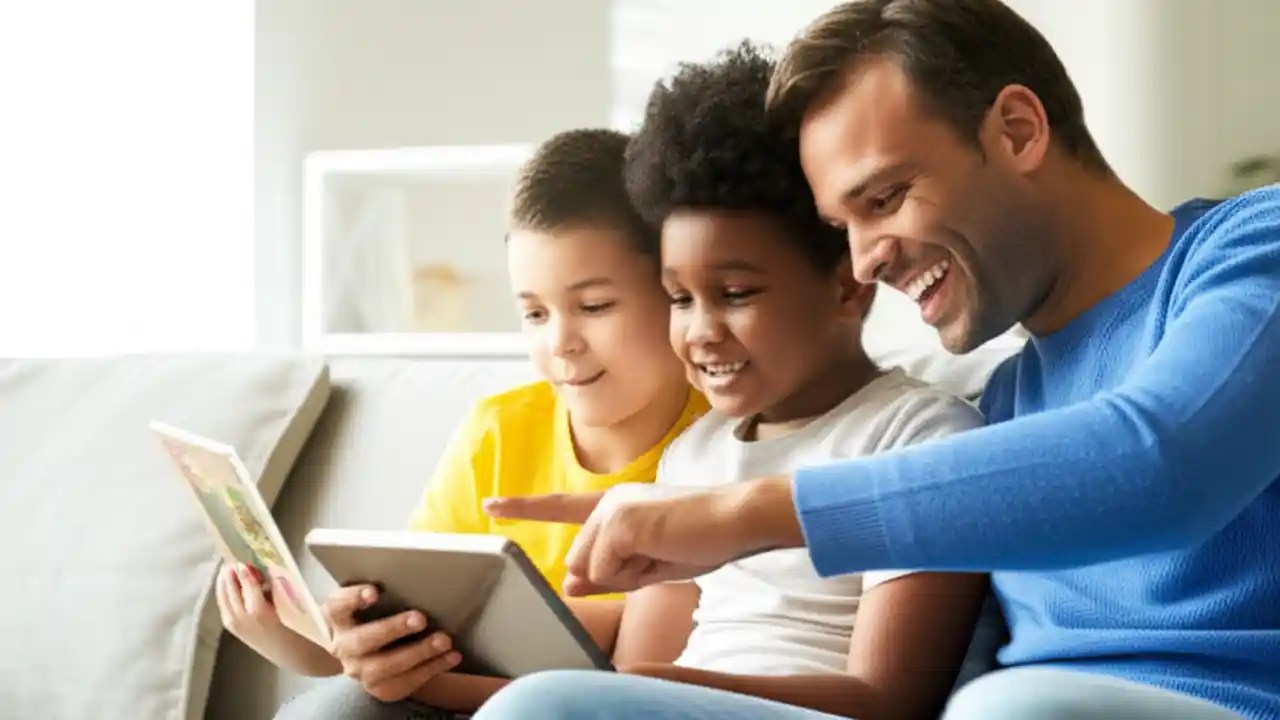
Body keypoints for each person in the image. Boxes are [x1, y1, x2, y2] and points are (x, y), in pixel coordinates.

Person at [473, 1, 1280, 719]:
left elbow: (1162, 462)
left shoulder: (1253, 249)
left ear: (1018, 131)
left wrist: (742, 514)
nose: (862, 264)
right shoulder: (1004, 402)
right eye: (842, 224)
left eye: (884, 198)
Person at [492, 41, 987, 719]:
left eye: (735, 293)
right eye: (678, 298)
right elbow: (641, 670)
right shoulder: (694, 454)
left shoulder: (921, 437)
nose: (700, 331)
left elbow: (888, 700)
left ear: (847, 285)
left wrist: (645, 692)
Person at [217, 128, 709, 719]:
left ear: (675, 291)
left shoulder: (719, 447)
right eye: (533, 312)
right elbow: (410, 618)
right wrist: (308, 637)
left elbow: (635, 675)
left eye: (595, 306)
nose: (561, 343)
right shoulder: (499, 429)